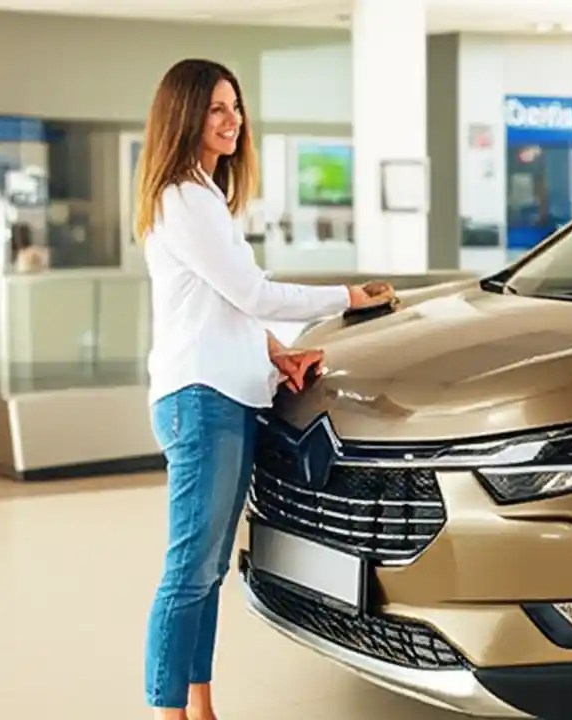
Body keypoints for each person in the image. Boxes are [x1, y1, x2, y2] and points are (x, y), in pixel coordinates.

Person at [134, 58, 395, 720]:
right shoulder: (183, 199)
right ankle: (169, 715)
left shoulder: (206, 197)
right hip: (202, 400)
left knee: (210, 572)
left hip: (223, 395)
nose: (232, 121)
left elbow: (225, 307)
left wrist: (278, 353)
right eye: (216, 109)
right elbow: (251, 292)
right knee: (188, 572)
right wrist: (348, 295)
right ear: (185, 116)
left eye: (236, 107)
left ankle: (201, 707)